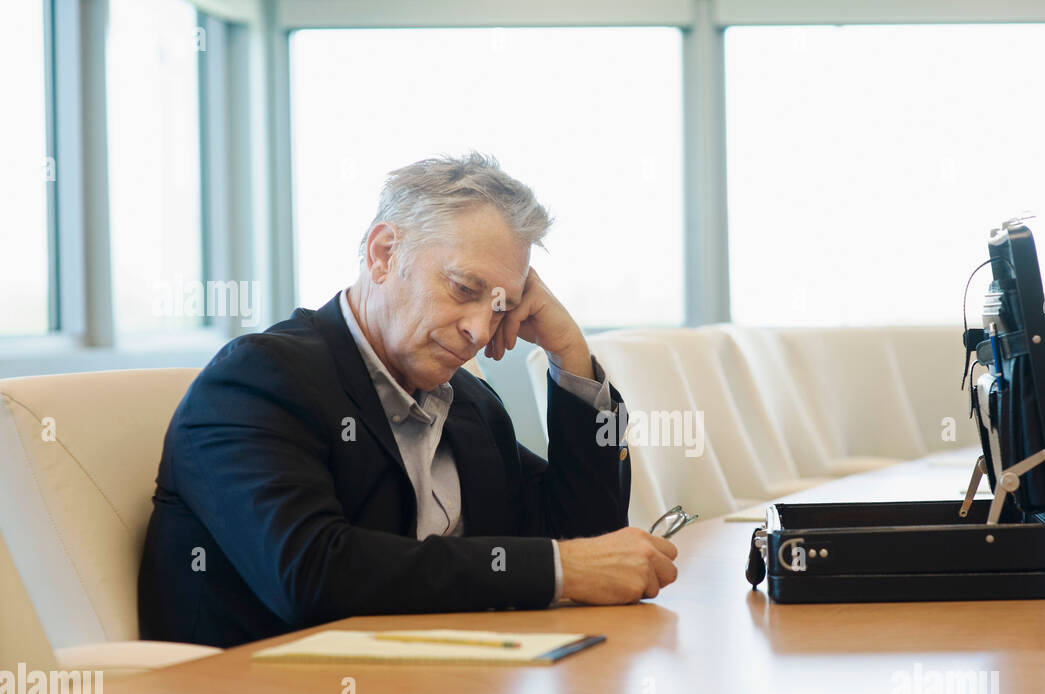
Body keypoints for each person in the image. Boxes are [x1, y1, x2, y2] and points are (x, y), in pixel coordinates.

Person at [138, 154, 677, 649]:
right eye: (465, 289)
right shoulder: (258, 380)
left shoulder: (470, 404)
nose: (477, 330)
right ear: (383, 254)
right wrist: (560, 567)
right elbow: (311, 573)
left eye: (500, 307)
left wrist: (571, 356)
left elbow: (589, 542)